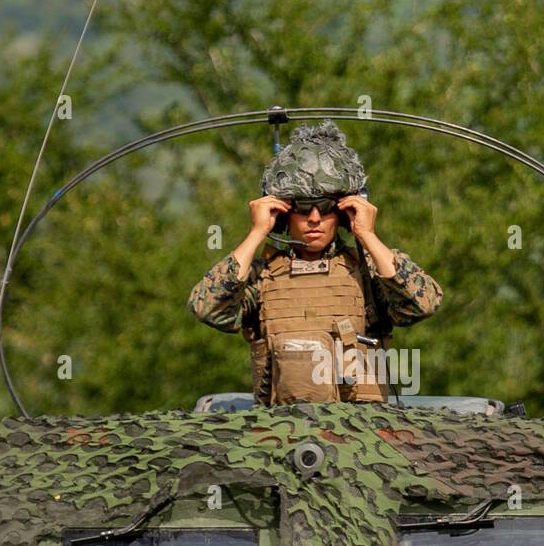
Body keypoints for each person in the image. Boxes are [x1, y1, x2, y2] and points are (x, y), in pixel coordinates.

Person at [188, 121, 442, 405]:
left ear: (344, 213)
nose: (314, 219)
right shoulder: (262, 276)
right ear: (283, 214)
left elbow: (424, 303)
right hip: (280, 431)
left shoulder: (369, 272)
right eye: (302, 208)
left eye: (325, 208)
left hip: (363, 431)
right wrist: (257, 232)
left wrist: (367, 235)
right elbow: (206, 308)